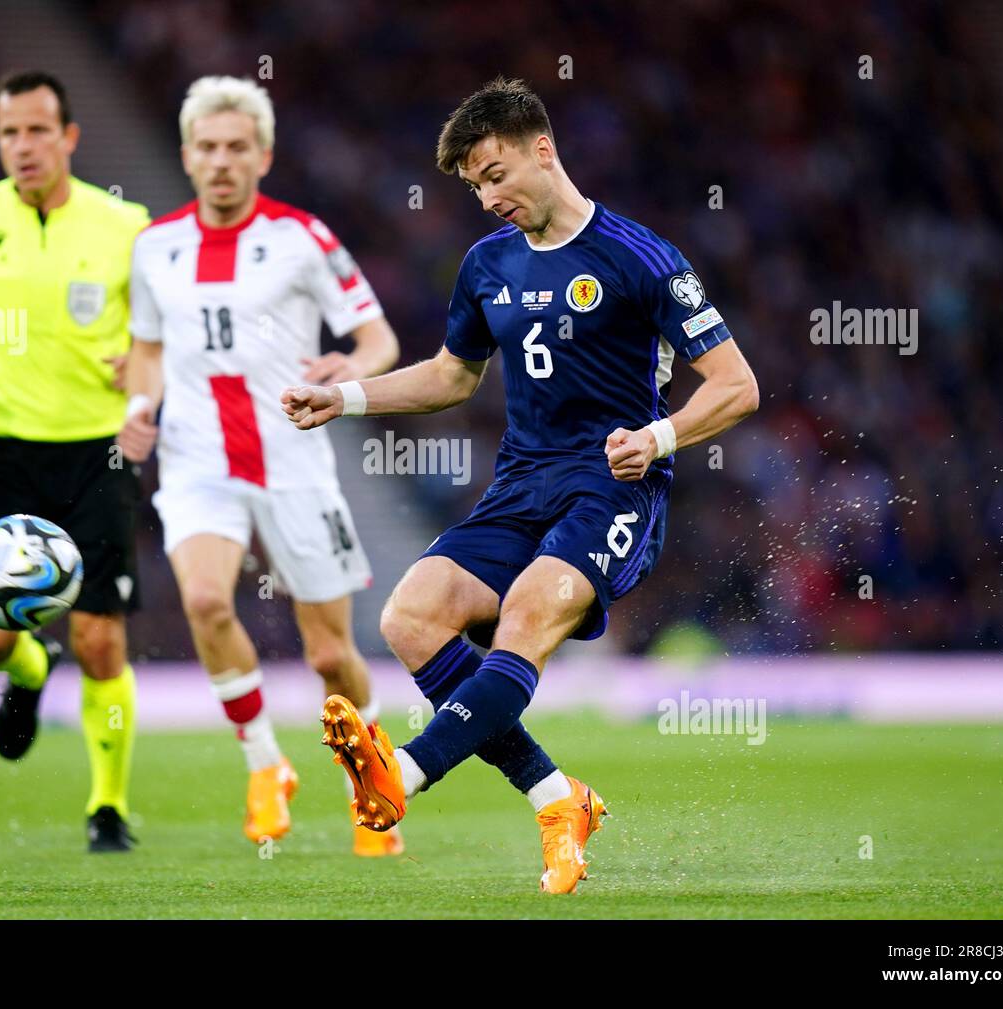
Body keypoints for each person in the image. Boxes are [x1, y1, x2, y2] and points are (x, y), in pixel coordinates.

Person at [282, 77, 760, 891]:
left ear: (543, 150)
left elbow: (736, 384)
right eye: (475, 186)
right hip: (520, 485)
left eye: (495, 173)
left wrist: (657, 436)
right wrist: (347, 397)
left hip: (613, 487)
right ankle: (556, 797)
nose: (487, 197)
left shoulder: (642, 257)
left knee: (528, 611)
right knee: (410, 615)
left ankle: (403, 771)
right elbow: (451, 376)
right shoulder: (484, 265)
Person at [117, 76, 404, 856]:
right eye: (206, 148)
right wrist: (139, 408)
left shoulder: (304, 237)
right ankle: (265, 765)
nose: (220, 161)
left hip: (292, 454)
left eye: (236, 147)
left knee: (328, 653)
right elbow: (145, 350)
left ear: (263, 156)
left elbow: (378, 338)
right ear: (185, 155)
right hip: (195, 457)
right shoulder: (154, 246)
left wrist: (347, 370)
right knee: (206, 601)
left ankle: (370, 783)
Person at [0, 71, 149, 852]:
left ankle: (107, 807)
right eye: (10, 132)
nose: (24, 146)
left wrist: (139, 367)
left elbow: (160, 328)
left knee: (102, 638)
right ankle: (27, 671)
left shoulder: (127, 226)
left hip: (97, 449)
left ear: (70, 136)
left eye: (39, 130)